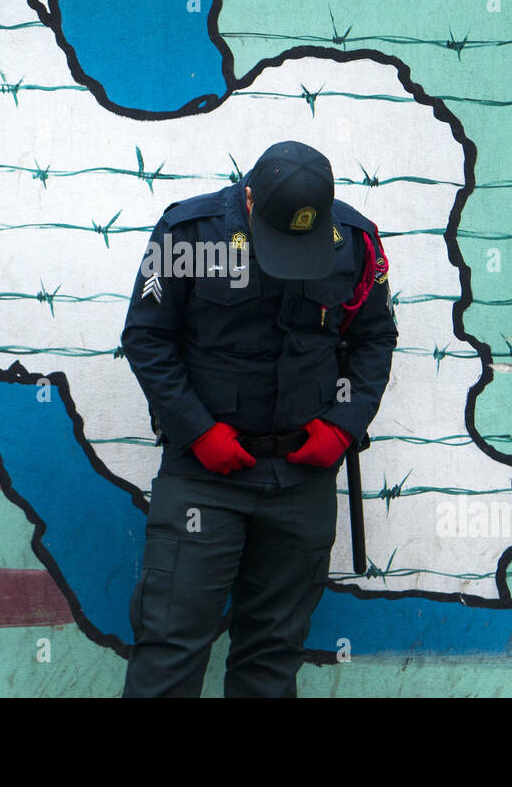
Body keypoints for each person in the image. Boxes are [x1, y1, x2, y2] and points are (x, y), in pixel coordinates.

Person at [119, 140, 398, 697]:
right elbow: (147, 338)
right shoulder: (187, 235)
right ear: (248, 197)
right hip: (205, 479)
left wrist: (344, 426)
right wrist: (197, 431)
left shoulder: (357, 241)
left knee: (271, 662)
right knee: (170, 651)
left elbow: (374, 339)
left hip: (302, 479)